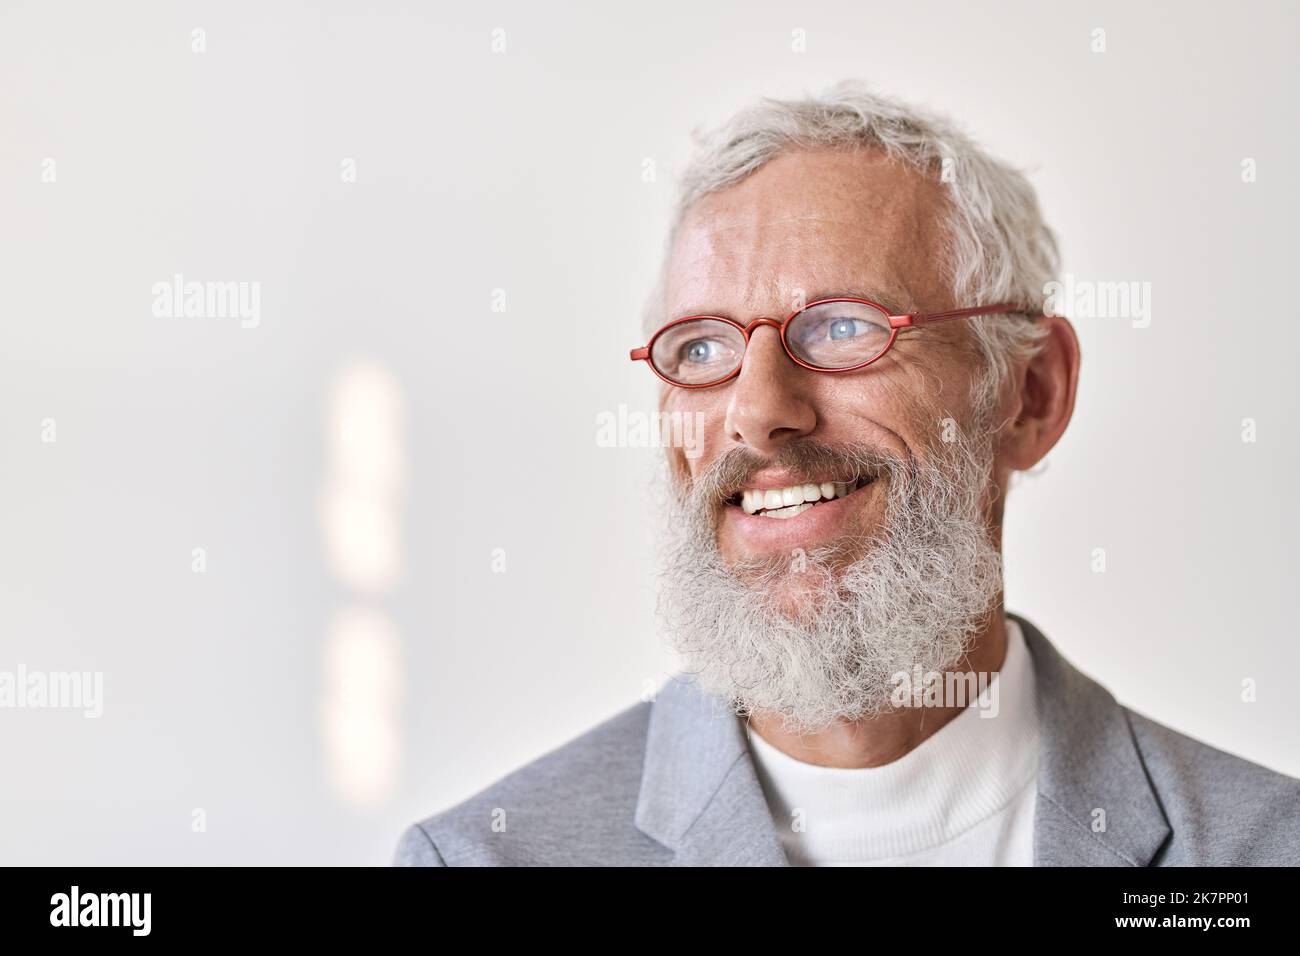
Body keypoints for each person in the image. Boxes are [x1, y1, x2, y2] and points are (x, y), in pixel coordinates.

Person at [395, 82, 1300, 866]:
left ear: (1030, 392)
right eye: (703, 346)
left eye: (840, 326)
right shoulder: (486, 858)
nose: (756, 410)